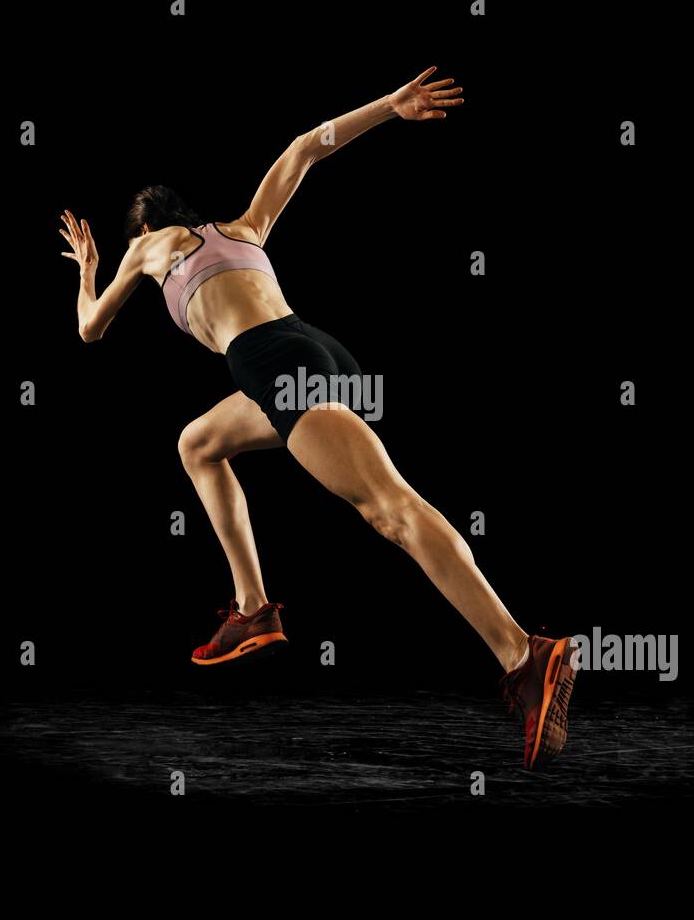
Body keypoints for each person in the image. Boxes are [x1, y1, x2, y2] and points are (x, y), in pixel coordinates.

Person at [60, 67, 574, 769]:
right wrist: (389, 108)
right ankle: (253, 607)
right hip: (318, 352)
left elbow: (90, 330)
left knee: (390, 510)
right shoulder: (243, 228)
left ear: (147, 226)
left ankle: (522, 649)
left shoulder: (148, 246)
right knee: (199, 441)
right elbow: (304, 147)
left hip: (271, 360)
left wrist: (90, 269)